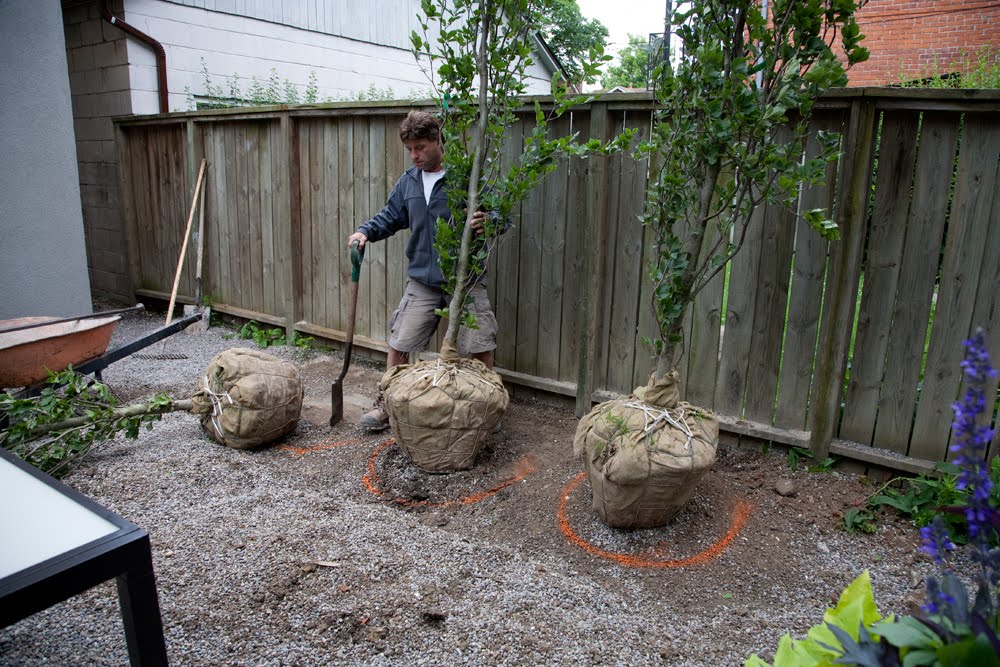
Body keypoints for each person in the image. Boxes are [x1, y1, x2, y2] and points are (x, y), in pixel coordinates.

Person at [346, 110, 500, 431]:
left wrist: (489, 222)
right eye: (410, 149)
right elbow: (390, 216)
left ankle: (490, 408)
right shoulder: (408, 183)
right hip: (423, 281)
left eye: (420, 147)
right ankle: (387, 402)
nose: (415, 155)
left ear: (436, 141)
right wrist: (365, 232)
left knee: (480, 342)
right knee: (400, 342)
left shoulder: (463, 180)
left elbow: (500, 216)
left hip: (465, 280)